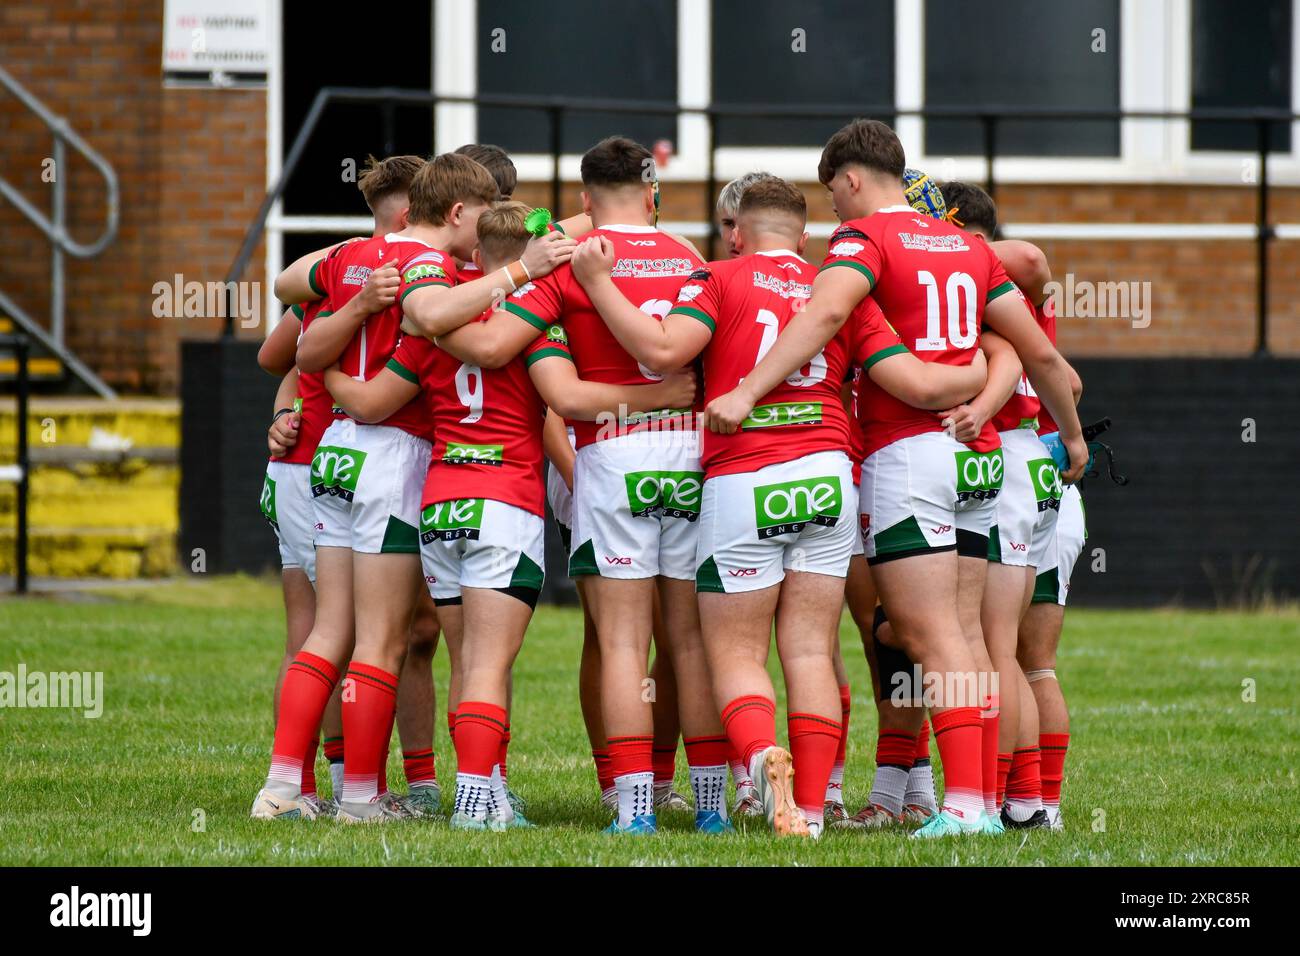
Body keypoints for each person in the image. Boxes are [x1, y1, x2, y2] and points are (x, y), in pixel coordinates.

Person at [570, 176, 988, 837]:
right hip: (827, 473)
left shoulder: (714, 277)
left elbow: (662, 351)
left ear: (737, 232)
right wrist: (977, 378)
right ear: (806, 234)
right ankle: (816, 813)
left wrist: (596, 280)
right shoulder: (841, 289)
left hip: (742, 475)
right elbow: (913, 381)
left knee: (735, 652)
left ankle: (763, 758)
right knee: (811, 652)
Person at [702, 119, 1086, 838]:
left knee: (925, 629)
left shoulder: (865, 240)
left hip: (909, 452)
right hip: (983, 456)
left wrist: (749, 390)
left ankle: (967, 806)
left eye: (834, 196)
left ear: (850, 179)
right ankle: (978, 803)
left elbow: (827, 311)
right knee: (966, 636)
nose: (835, 216)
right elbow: (1037, 350)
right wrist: (1068, 435)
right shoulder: (968, 246)